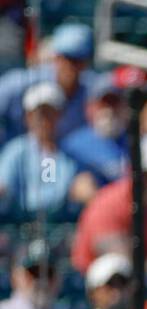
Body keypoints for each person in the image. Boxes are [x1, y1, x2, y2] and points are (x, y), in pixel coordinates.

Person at [71, 134, 147, 275]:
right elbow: (125, 265)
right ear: (130, 171)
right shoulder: (107, 206)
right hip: (98, 289)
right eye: (145, 173)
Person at [0, 81, 96, 216]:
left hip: (59, 227)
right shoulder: (16, 151)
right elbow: (3, 185)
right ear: (28, 117)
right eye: (39, 114)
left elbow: (81, 186)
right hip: (18, 226)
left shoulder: (69, 155)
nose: (44, 120)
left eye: (49, 114)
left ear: (59, 116)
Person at [0, 22, 98, 141]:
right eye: (67, 58)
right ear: (56, 58)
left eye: (78, 60)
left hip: (60, 156)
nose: (71, 66)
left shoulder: (91, 88)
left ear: (86, 63)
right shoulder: (21, 83)